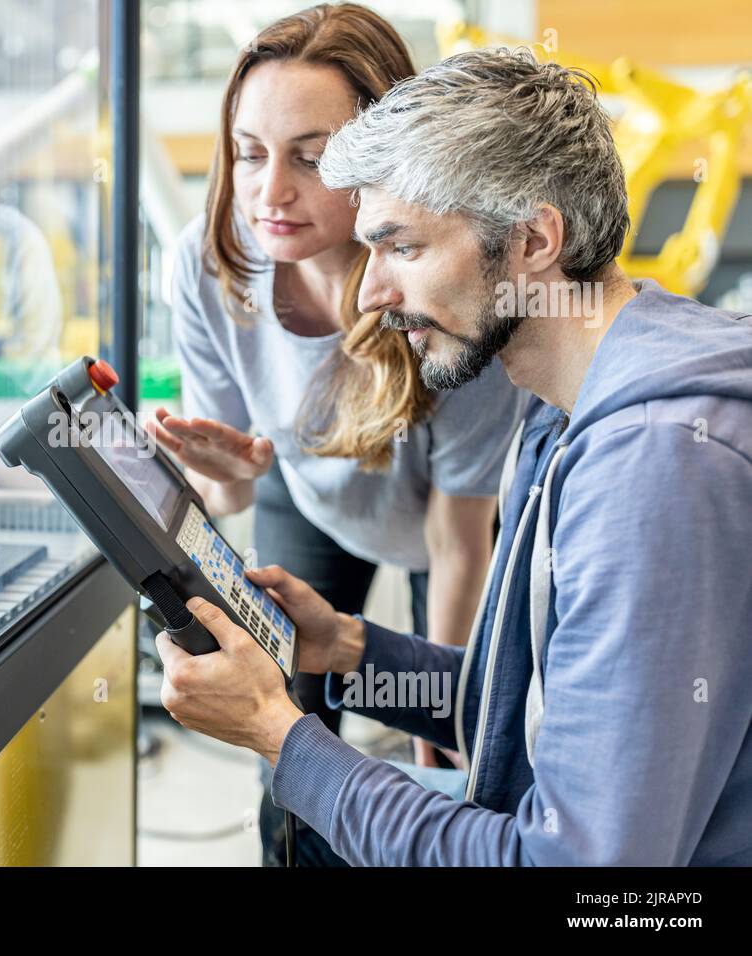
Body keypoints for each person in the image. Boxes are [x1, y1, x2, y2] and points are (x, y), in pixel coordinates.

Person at [156, 46, 752, 865]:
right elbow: (531, 706)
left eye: (402, 248)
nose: (369, 294)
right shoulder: (564, 407)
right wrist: (350, 650)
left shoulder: (652, 472)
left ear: (536, 241)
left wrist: (278, 735)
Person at [144, 4, 524, 864]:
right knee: (285, 731)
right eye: (248, 154)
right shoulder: (207, 268)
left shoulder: (445, 281)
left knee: (470, 746)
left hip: (452, 523)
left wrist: (445, 706)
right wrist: (228, 475)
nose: (270, 192)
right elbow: (234, 486)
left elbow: (457, 539)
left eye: (310, 160)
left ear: (380, 159)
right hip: (301, 490)